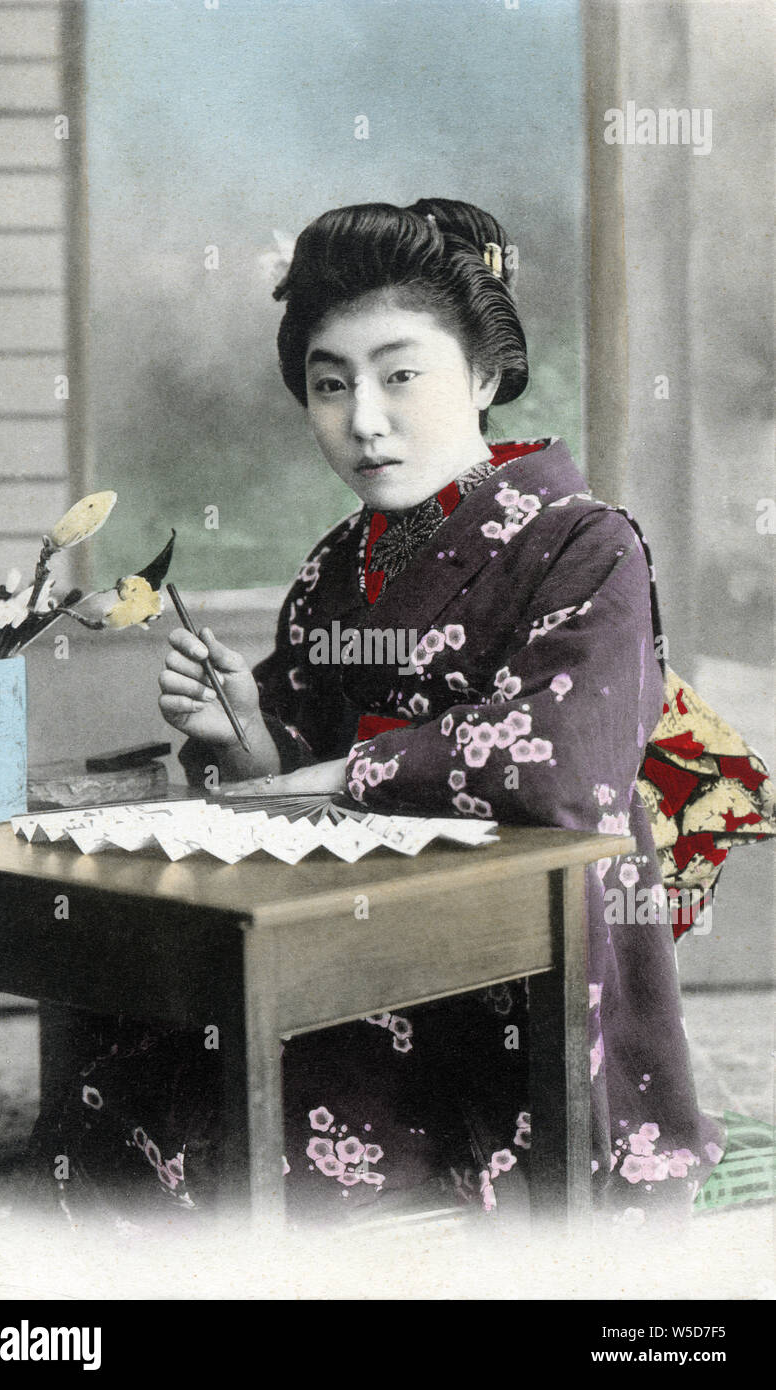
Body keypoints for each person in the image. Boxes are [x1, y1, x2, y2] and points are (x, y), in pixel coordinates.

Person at [39, 199, 725, 1228]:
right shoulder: (333, 570)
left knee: (247, 1161)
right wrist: (248, 735)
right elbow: (292, 756)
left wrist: (335, 774)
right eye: (329, 384)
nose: (363, 418)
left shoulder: (586, 543)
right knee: (136, 1106)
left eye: (401, 374)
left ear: (485, 376)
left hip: (514, 979)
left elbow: (563, 765)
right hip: (345, 956)